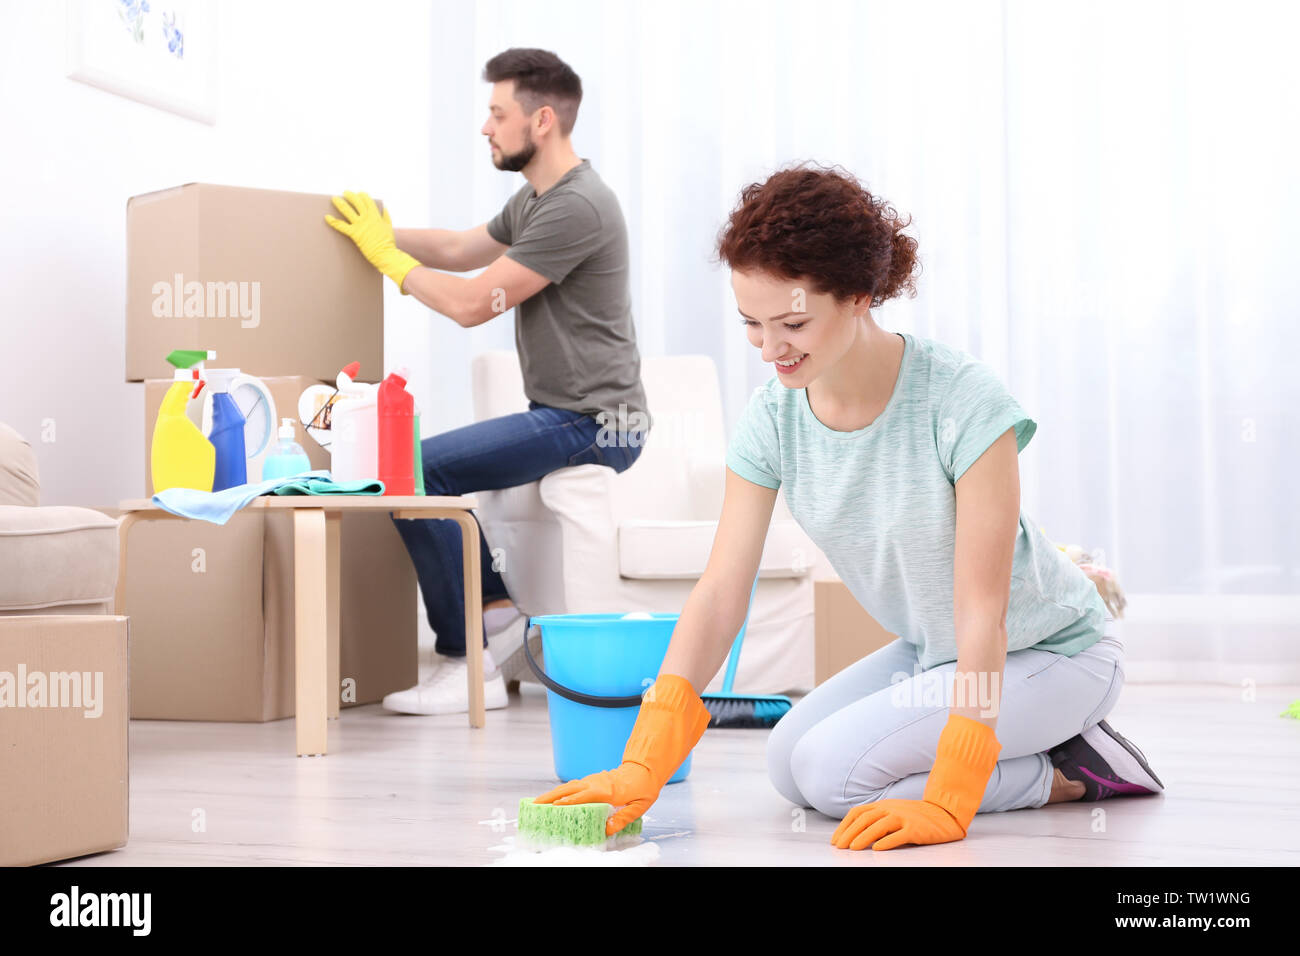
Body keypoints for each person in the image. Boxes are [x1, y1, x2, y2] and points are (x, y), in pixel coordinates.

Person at [532, 164, 1163, 850]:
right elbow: (719, 594)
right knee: (789, 764)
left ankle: (1073, 770)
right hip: (935, 656)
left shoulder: (962, 401)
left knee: (834, 776)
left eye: (793, 322)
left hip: (1052, 653)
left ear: (859, 296)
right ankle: (1040, 756)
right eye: (751, 323)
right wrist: (641, 762)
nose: (771, 349)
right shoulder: (774, 417)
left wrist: (954, 791)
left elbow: (984, 612)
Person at [326, 48, 649, 716]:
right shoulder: (538, 200)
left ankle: (467, 659)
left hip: (598, 421)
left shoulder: (577, 207)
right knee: (415, 468)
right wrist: (372, 232)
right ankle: (498, 619)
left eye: (498, 114)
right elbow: (457, 248)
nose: (486, 128)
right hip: (568, 412)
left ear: (543, 121)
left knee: (412, 469)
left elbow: (476, 303)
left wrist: (385, 259)